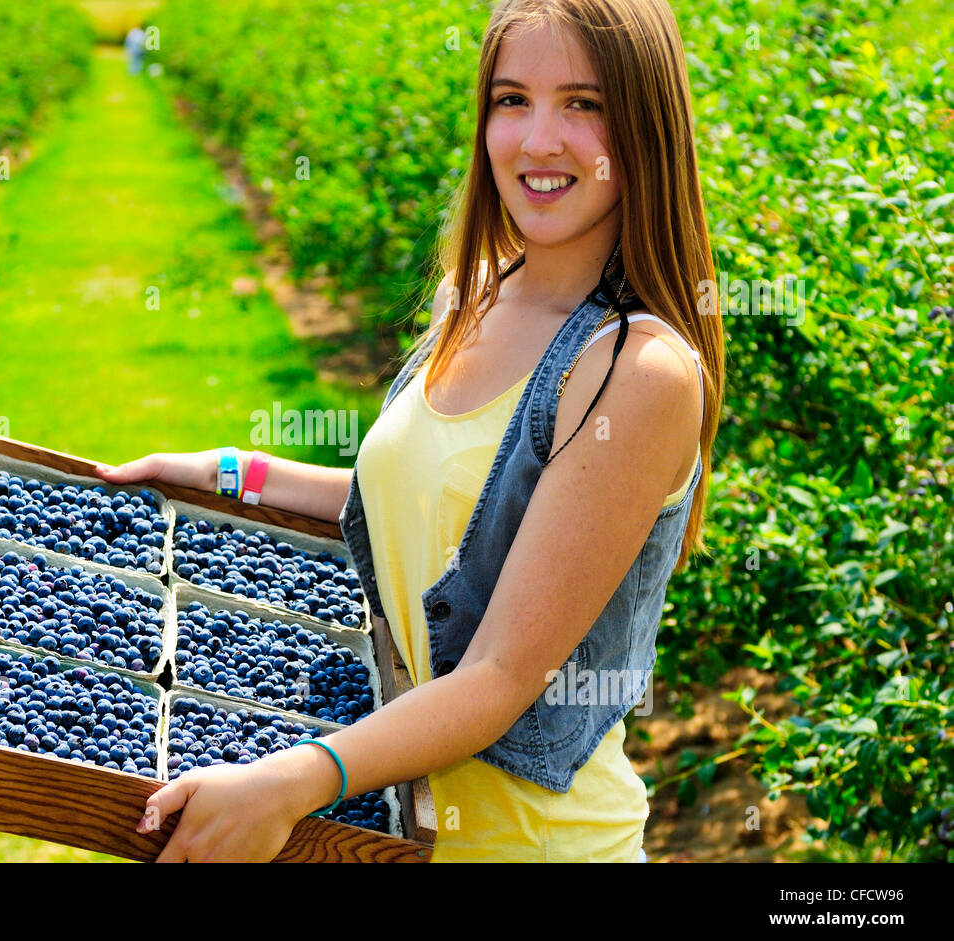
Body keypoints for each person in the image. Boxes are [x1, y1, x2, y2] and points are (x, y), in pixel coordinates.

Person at [95, 0, 725, 862]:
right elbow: (411, 514)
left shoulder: (636, 371)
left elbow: (501, 678)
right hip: (398, 829)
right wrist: (229, 474)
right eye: (512, 99)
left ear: (644, 127)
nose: (539, 140)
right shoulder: (473, 293)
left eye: (584, 104)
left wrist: (293, 780)